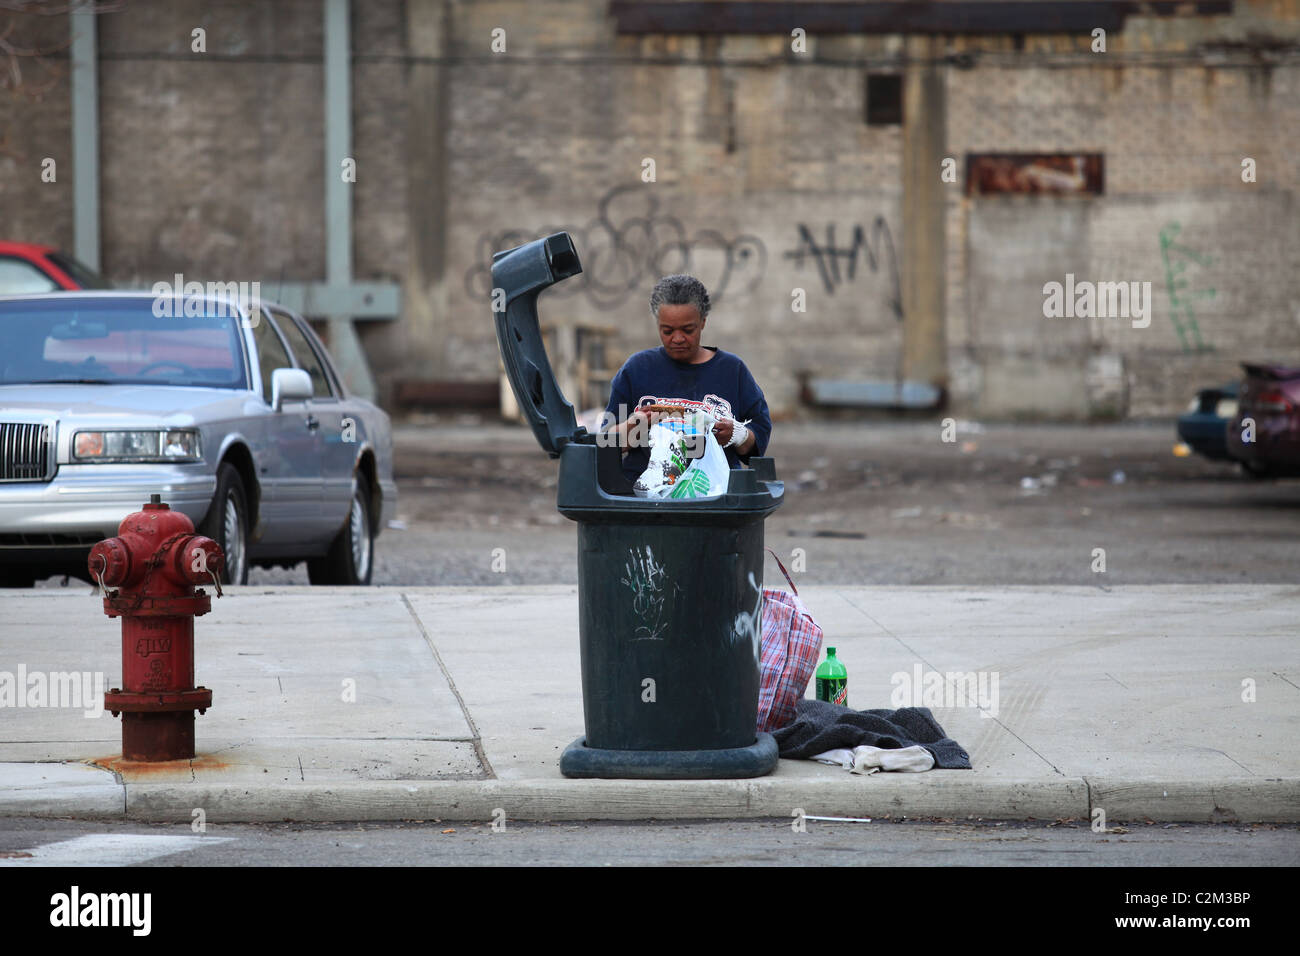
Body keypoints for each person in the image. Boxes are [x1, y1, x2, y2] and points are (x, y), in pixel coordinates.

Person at [602, 274, 772, 484]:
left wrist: (738, 434)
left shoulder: (732, 371)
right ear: (658, 324)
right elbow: (605, 445)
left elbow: (758, 441)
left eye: (688, 329)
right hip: (644, 499)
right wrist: (633, 427)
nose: (678, 338)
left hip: (715, 496)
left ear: (702, 322)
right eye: (668, 330)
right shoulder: (636, 369)